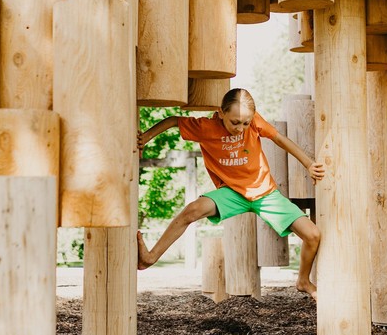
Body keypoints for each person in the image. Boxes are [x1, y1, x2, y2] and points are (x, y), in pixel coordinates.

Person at [136, 88, 324, 300]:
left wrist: (309, 164)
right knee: (192, 210)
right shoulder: (205, 127)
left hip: (264, 193)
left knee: (313, 235)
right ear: (221, 112)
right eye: (235, 122)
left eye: (245, 123)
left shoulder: (253, 123)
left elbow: (280, 139)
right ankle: (149, 258)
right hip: (232, 192)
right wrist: (146, 137)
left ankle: (303, 280)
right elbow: (172, 121)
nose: (241, 128)